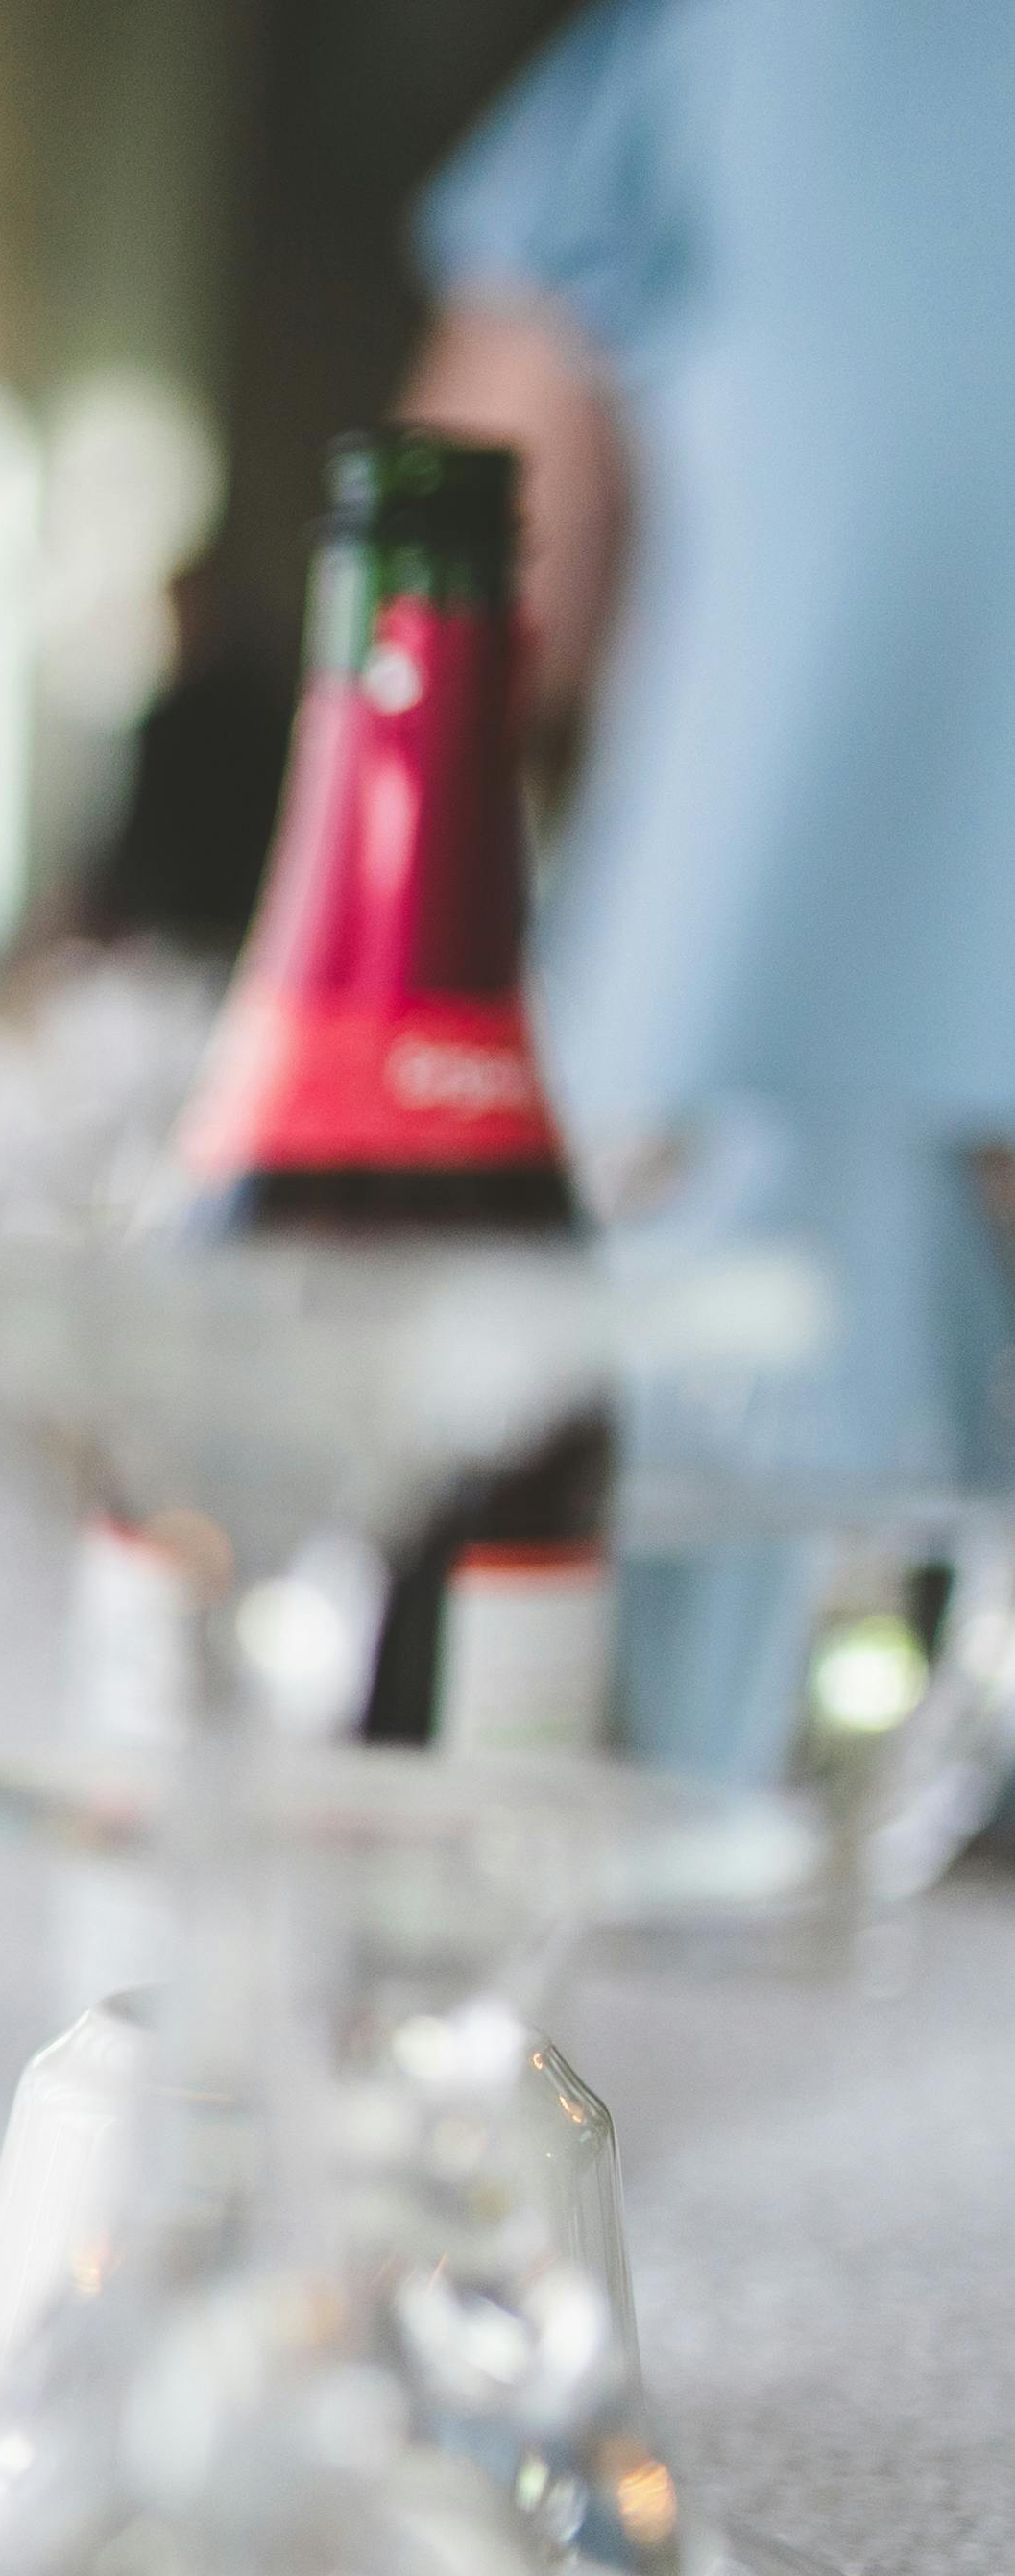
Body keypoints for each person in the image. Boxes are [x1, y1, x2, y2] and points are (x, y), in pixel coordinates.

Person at [404, 0, 1015, 1777]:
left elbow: (457, 618)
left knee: (696, 1890)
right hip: (754, 1141)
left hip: (740, 1118)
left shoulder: (723, 48)